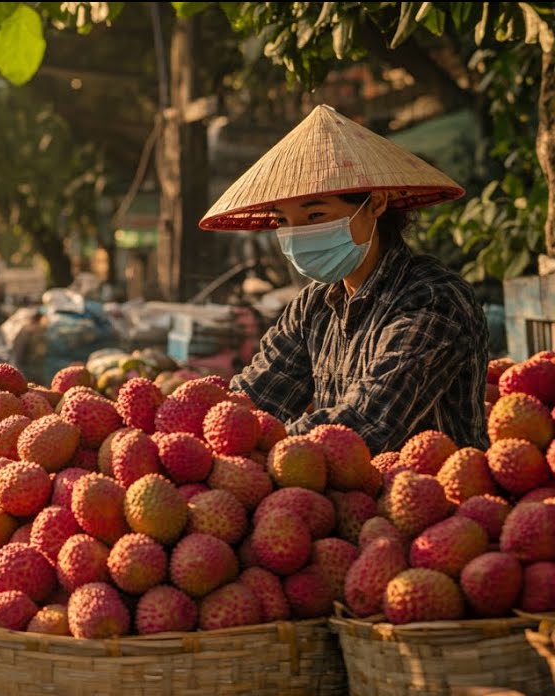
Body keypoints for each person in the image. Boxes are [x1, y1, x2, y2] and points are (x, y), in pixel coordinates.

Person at [201, 104, 487, 454]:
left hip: (439, 499)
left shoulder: (432, 299)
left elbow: (367, 423)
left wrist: (264, 444)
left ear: (376, 204)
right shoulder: (313, 304)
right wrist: (212, 431)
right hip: (337, 492)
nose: (297, 235)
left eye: (316, 214)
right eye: (282, 222)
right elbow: (258, 396)